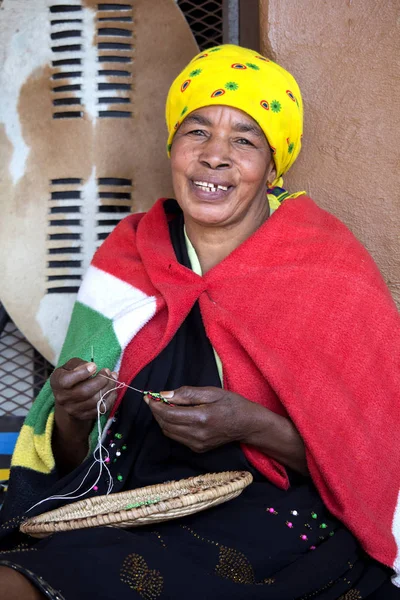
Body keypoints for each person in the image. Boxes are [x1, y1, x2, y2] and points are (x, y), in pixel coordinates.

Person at [0, 44, 399, 600]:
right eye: (197, 132)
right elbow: (73, 464)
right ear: (172, 146)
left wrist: (251, 427)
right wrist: (71, 415)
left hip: (271, 526)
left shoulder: (330, 272)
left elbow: (368, 465)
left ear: (274, 164)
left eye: (244, 139)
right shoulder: (128, 257)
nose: (215, 156)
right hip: (123, 508)